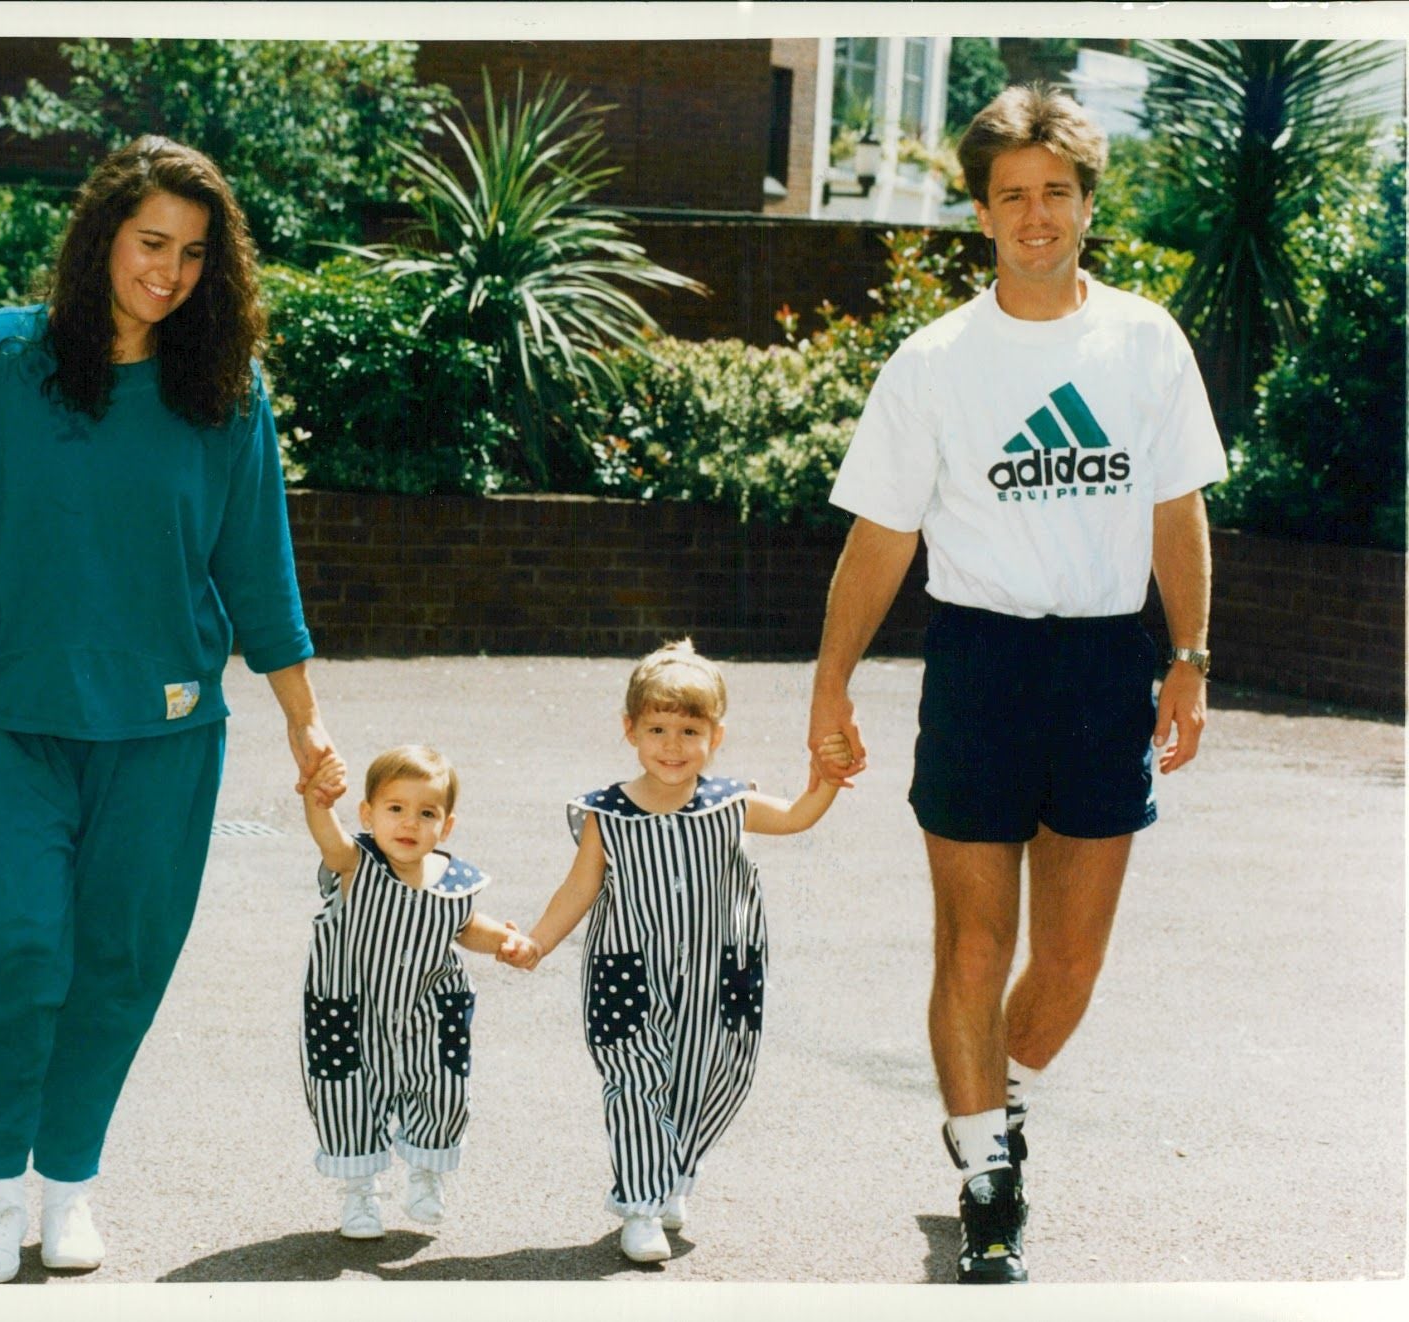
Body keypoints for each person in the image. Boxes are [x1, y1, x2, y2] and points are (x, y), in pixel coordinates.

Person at [0, 135, 341, 1284]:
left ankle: (69, 1179)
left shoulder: (223, 390)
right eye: (151, 241)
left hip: (162, 732)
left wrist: (304, 717)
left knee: (118, 959)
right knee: (9, 943)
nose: (169, 270)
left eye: (195, 253)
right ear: (101, 232)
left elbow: (260, 566)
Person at [806, 85, 1224, 1284]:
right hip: (980, 659)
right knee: (972, 938)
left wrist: (1186, 659)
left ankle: (1000, 1097)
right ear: (980, 215)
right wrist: (829, 686)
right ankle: (987, 1174)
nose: (1033, 215)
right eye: (1009, 196)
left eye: (1054, 192)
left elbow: (1175, 507)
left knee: (1073, 957)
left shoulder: (1143, 340)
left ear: (1086, 203)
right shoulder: (934, 363)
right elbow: (878, 538)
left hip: (1104, 663)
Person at [504, 640, 846, 1263]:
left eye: (690, 730)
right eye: (658, 728)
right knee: (634, 1082)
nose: (672, 745)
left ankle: (671, 1171)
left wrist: (827, 779)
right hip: (628, 973)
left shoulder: (728, 805)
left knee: (712, 1078)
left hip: (718, 979)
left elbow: (798, 816)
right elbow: (580, 886)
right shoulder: (606, 815)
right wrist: (537, 941)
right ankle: (640, 1204)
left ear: (716, 735)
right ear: (630, 729)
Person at [298, 745, 530, 1239]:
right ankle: (360, 1191)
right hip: (351, 1009)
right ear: (369, 814)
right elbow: (329, 839)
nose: (409, 823)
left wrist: (504, 942)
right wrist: (319, 802)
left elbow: (466, 926)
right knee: (347, 1095)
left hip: (429, 1010)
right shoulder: (355, 864)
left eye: (426, 813)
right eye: (395, 809)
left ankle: (427, 1175)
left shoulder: (454, 881)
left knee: (442, 1089)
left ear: (445, 827)